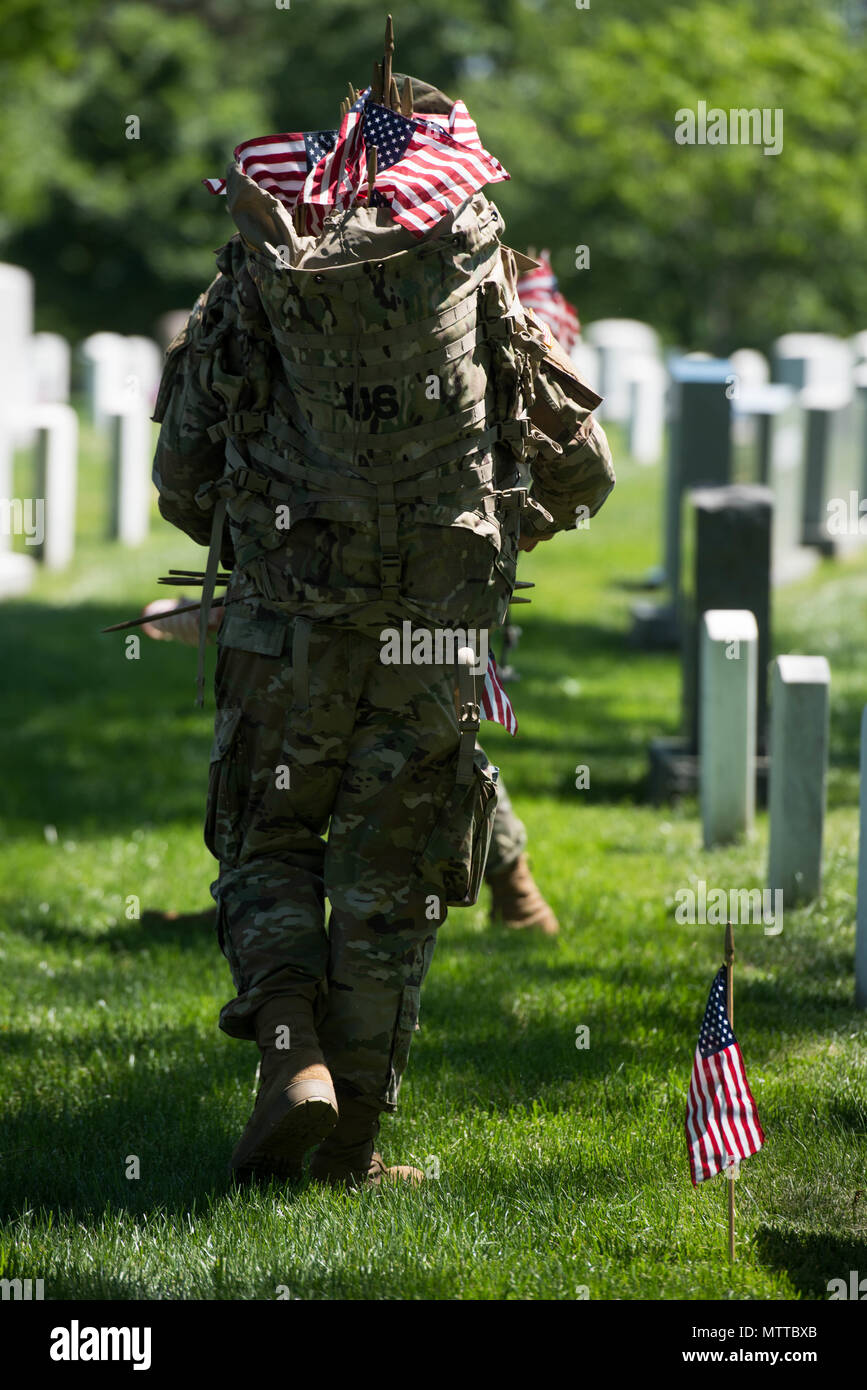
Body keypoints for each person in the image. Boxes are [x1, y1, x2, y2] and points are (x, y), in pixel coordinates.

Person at [150, 70, 614, 1189]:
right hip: (437, 630)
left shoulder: (263, 266)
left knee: (269, 845)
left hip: (286, 622)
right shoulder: (477, 265)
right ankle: (350, 1148)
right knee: (389, 877)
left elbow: (180, 470)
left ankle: (290, 1058)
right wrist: (485, 546)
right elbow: (581, 467)